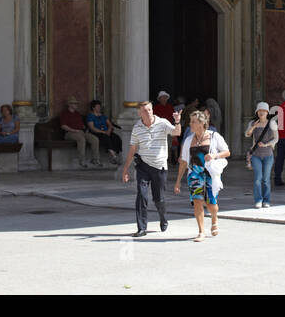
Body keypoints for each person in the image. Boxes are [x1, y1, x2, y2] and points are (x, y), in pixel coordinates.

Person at [121, 100, 182, 237]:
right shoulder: (137, 127)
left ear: (152, 110)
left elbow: (176, 133)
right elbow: (133, 148)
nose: (147, 113)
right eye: (144, 111)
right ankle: (142, 228)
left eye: (149, 110)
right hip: (143, 166)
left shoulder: (162, 123)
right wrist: (126, 169)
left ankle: (163, 217)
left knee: (158, 199)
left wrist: (177, 121)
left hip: (159, 167)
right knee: (141, 196)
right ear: (139, 113)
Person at [174, 110, 230, 241]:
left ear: (201, 123)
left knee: (211, 203)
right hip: (194, 174)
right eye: (190, 121)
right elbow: (183, 161)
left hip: (210, 174)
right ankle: (201, 231)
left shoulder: (214, 136)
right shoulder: (188, 140)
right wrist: (177, 182)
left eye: (193, 122)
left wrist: (215, 155)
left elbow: (227, 152)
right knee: (197, 201)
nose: (190, 124)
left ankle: (214, 219)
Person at [245, 102, 279, 207]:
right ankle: (258, 200)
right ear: (257, 112)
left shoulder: (272, 123)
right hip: (256, 155)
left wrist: (266, 144)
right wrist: (253, 127)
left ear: (267, 112)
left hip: (268, 154)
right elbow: (247, 134)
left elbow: (276, 138)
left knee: (266, 179)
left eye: (264, 111)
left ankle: (266, 200)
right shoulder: (252, 123)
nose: (261, 112)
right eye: (260, 110)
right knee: (257, 178)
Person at [55, 96, 101, 168]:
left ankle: (95, 159)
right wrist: (74, 130)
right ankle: (82, 161)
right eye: (74, 104)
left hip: (81, 132)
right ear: (69, 104)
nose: (76, 105)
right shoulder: (64, 114)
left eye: (76, 104)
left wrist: (84, 128)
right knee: (81, 139)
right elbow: (63, 126)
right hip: (70, 133)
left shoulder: (77, 114)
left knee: (94, 139)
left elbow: (81, 124)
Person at [85, 100, 121, 164]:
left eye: (100, 106)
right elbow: (92, 128)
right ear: (93, 108)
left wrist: (109, 130)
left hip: (106, 131)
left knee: (116, 137)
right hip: (97, 132)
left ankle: (116, 154)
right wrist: (103, 132)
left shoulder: (103, 116)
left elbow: (109, 124)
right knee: (105, 137)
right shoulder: (90, 116)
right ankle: (113, 156)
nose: (99, 108)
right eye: (97, 107)